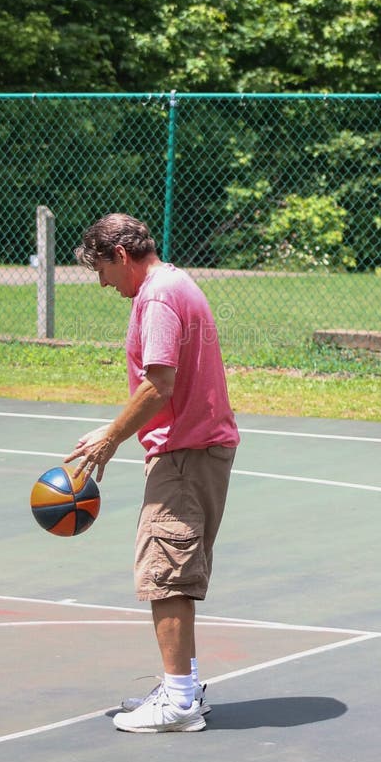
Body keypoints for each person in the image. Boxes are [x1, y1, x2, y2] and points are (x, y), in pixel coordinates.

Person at [64, 213, 239, 734]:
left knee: (165, 575)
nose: (101, 283)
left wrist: (110, 437)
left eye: (101, 270)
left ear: (121, 256)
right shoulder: (176, 283)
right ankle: (181, 684)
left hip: (186, 454)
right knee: (172, 571)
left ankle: (180, 702)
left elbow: (159, 382)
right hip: (194, 449)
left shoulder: (158, 297)